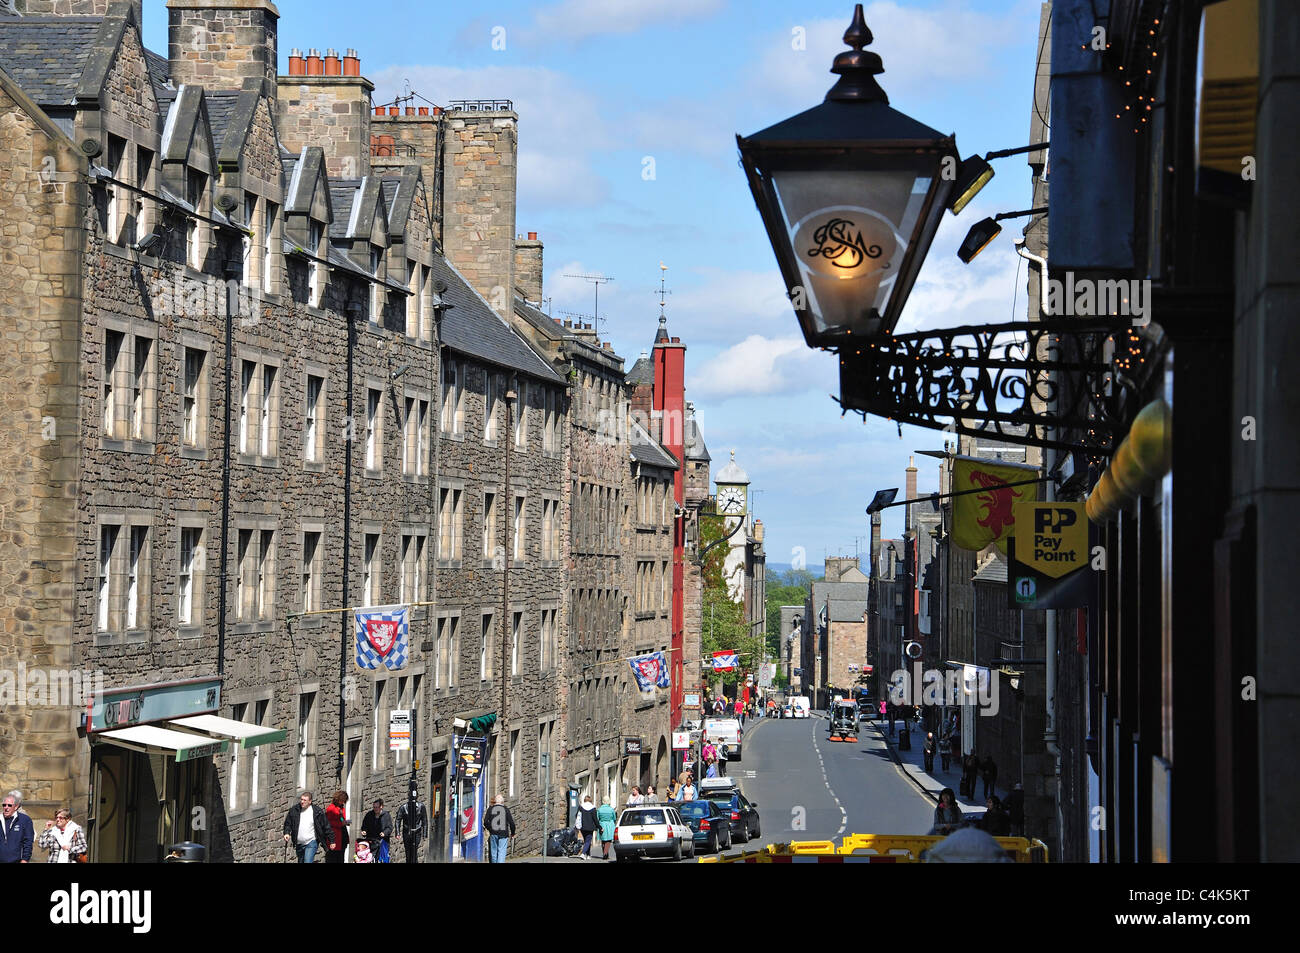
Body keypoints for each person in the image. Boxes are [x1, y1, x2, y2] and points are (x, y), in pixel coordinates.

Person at [282, 790, 331, 863]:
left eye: (305, 800)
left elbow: (326, 825)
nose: (302, 801)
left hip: (311, 842)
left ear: (310, 801)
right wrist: (287, 833)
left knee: (307, 861)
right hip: (299, 843)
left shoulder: (317, 811)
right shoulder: (294, 810)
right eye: (301, 799)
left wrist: (332, 840)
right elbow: (288, 823)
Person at [395, 781, 428, 863]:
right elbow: (398, 820)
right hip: (407, 832)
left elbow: (424, 820)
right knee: (408, 853)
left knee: (414, 851)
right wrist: (397, 832)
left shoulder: (421, 807)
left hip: (417, 832)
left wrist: (424, 834)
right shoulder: (403, 807)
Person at [0, 791, 34, 864]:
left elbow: (28, 842)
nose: (6, 807)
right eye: (4, 805)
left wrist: (25, 860)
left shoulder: (25, 820)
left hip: (16, 860)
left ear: (16, 807)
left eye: (9, 805)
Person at [484, 794, 517, 863]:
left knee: (494, 852)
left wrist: (490, 829)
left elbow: (485, 821)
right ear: (502, 802)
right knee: (501, 852)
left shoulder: (490, 809)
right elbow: (512, 823)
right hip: (503, 833)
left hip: (493, 833)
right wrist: (513, 833)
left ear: (495, 801)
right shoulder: (506, 809)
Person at [324, 790, 349, 864]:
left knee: (341, 857)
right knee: (333, 858)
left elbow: (341, 818)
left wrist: (344, 822)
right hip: (335, 836)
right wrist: (341, 823)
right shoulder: (331, 808)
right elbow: (328, 822)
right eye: (342, 801)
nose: (343, 803)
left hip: (342, 835)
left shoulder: (341, 808)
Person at [574, 795, 599, 859]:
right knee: (588, 841)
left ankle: (588, 855)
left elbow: (576, 815)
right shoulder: (593, 808)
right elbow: (595, 819)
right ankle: (583, 853)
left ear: (584, 800)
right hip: (590, 827)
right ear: (590, 800)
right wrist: (599, 826)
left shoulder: (581, 807)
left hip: (583, 826)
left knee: (586, 840)